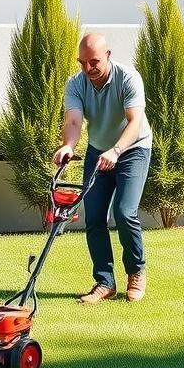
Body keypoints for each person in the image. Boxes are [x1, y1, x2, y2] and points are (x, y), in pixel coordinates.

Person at [52, 33, 153, 303]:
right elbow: (73, 121)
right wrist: (68, 146)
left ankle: (136, 272)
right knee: (94, 217)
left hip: (133, 149)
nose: (88, 69)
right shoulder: (75, 83)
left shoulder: (128, 78)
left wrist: (117, 150)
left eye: (94, 62)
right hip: (99, 151)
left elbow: (134, 121)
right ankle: (104, 282)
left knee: (124, 211)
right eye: (82, 63)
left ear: (108, 55)